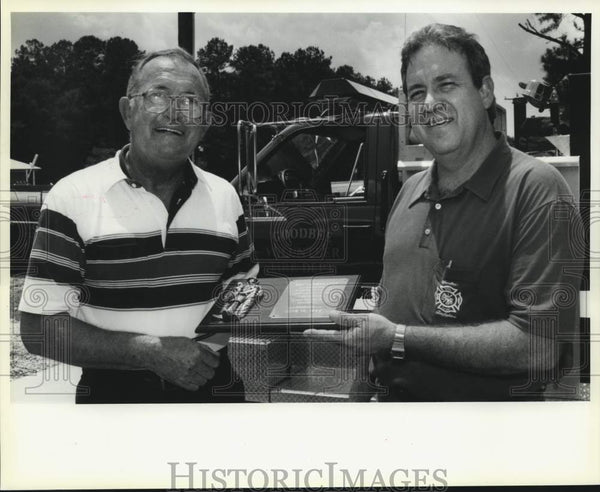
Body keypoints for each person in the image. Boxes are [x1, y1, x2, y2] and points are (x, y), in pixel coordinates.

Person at [305, 24, 582, 401]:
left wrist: (398, 339)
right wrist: (360, 397)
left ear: (484, 92)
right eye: (417, 92)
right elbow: (384, 320)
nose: (430, 102)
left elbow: (538, 346)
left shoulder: (537, 189)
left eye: (446, 84)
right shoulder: (408, 193)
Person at [19, 48, 258, 403]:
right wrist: (149, 352)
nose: (174, 112)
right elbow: (39, 329)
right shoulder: (72, 196)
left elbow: (243, 291)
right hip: (116, 398)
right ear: (127, 111)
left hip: (213, 389)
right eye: (158, 95)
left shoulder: (225, 196)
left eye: (190, 101)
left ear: (204, 121)